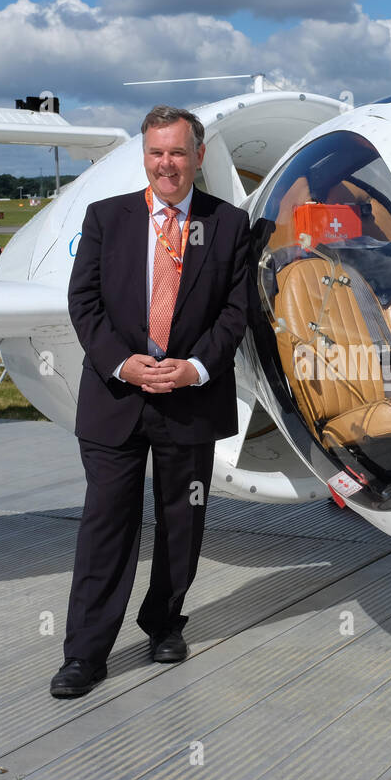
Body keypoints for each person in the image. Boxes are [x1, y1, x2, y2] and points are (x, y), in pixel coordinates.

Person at [51, 105, 253, 698]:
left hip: (188, 399)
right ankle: (85, 654)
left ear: (198, 156)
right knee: (106, 524)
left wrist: (193, 368)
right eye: (156, 152)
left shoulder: (229, 225)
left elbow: (236, 312)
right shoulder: (106, 219)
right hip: (116, 397)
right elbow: (83, 303)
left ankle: (164, 623)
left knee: (181, 521)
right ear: (146, 156)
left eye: (178, 152)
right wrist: (122, 362)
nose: (167, 164)